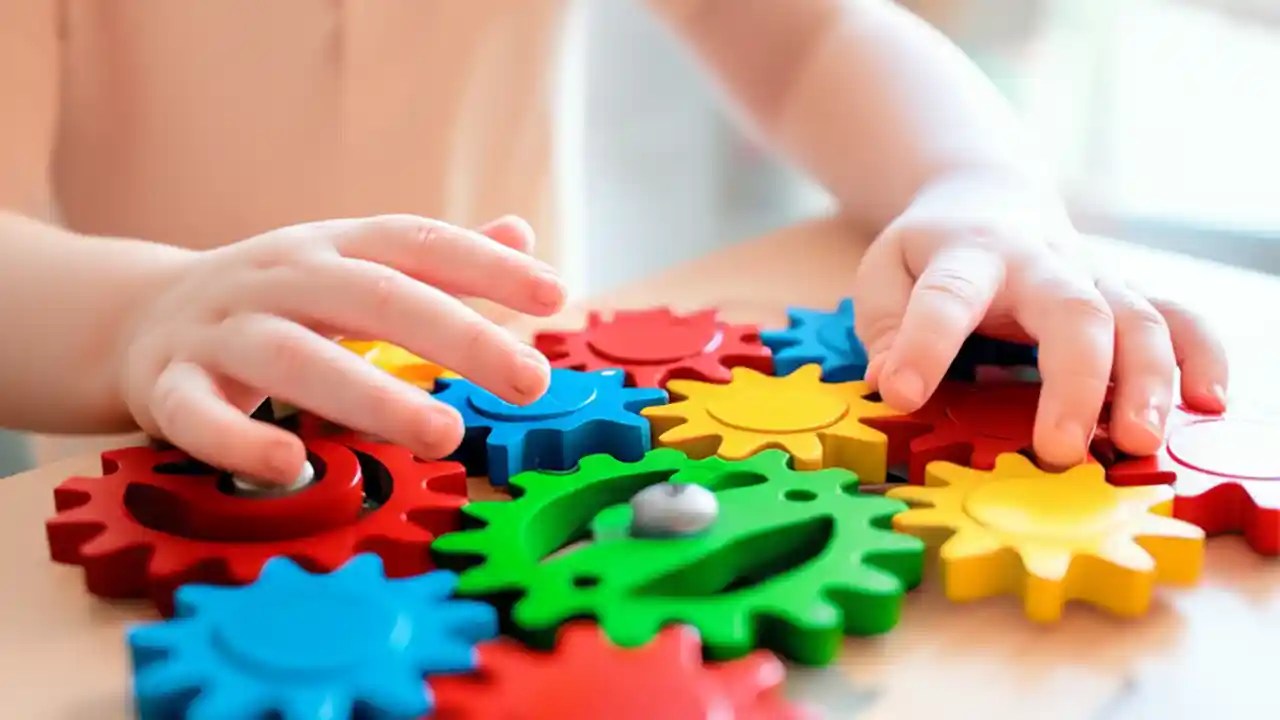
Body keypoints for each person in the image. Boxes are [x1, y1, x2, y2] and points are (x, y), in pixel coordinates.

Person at [0, 1, 1226, 486]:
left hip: (534, 461)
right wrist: (140, 317)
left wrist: (981, 186)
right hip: (167, 491)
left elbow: (807, 41)